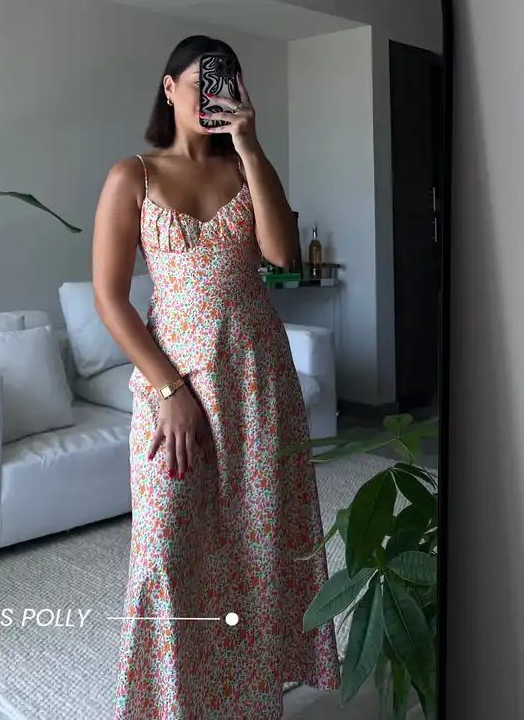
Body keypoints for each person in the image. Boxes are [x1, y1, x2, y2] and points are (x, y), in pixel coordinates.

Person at [92, 35, 340, 719]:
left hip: (256, 381)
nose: (211, 96)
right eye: (200, 82)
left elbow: (282, 257)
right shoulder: (132, 176)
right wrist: (170, 392)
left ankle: (249, 701)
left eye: (224, 83)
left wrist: (250, 145)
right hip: (171, 384)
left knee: (257, 547)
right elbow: (111, 299)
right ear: (168, 88)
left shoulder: (245, 167)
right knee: (165, 548)